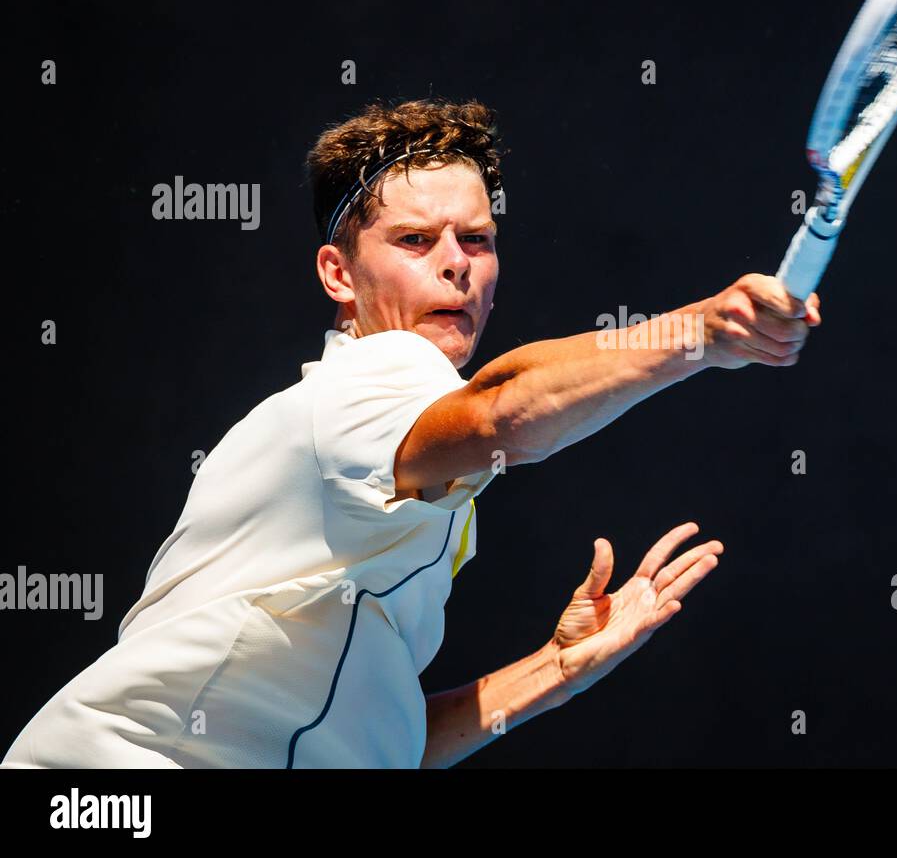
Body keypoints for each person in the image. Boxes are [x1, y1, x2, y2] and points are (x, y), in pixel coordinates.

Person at [2, 98, 822, 768]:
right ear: (339, 275)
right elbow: (507, 411)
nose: (456, 263)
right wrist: (696, 333)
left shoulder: (391, 483)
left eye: (477, 239)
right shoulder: (375, 374)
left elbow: (386, 748)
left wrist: (554, 670)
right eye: (415, 241)